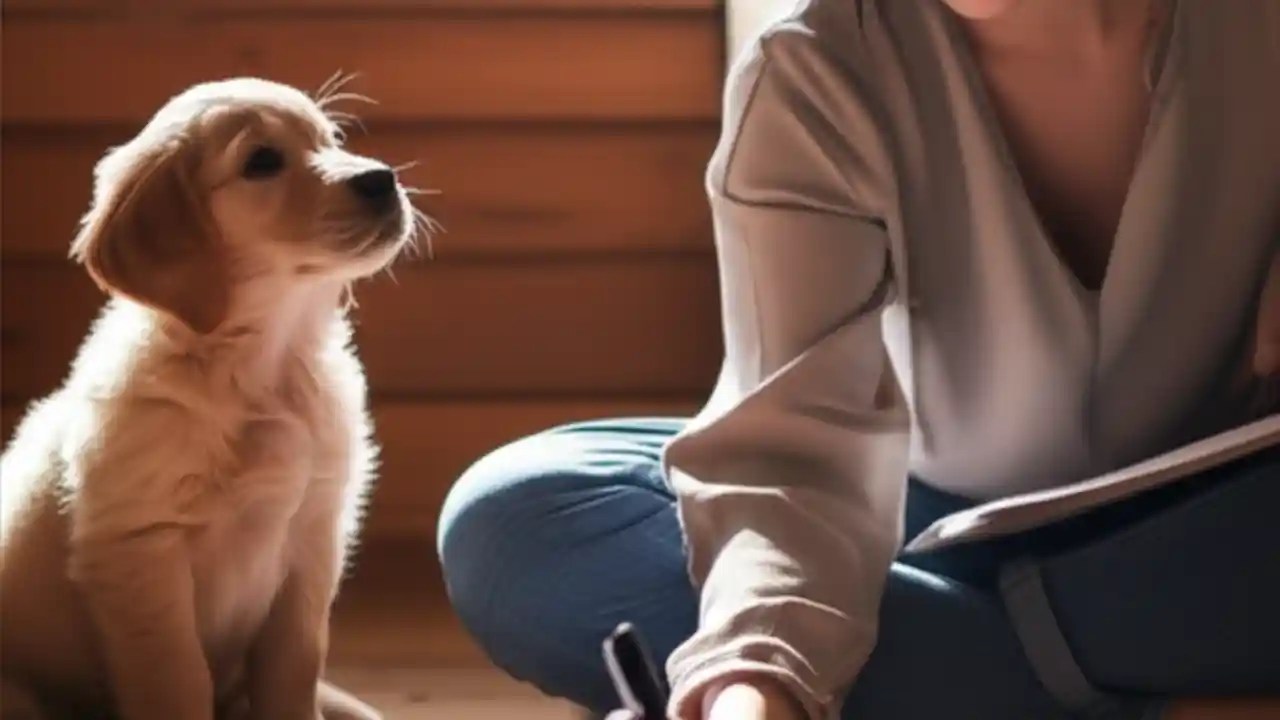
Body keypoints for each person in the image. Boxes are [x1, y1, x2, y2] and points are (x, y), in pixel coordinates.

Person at [437, 0, 1280, 718]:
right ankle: (1139, 677)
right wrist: (750, 683)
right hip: (925, 526)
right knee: (516, 520)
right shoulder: (815, 66)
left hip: (1216, 522)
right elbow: (788, 457)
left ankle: (959, 671)